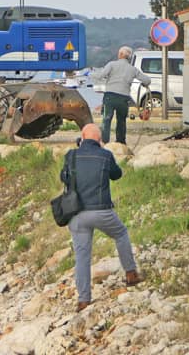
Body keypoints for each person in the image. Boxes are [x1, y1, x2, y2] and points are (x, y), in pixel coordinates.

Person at [62, 123, 141, 311]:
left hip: (77, 213)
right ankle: (131, 274)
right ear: (99, 139)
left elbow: (64, 178)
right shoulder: (105, 155)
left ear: (82, 137)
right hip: (102, 212)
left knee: (82, 256)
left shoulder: (71, 156)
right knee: (121, 234)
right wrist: (104, 151)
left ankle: (83, 300)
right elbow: (117, 175)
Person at [89, 46, 151, 145]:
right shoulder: (133, 69)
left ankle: (105, 142)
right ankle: (121, 142)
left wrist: (90, 74)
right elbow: (147, 80)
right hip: (123, 99)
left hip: (110, 97)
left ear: (121, 55)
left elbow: (100, 75)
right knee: (121, 121)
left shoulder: (112, 64)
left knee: (107, 119)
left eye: (119, 53)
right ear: (129, 57)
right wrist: (145, 84)